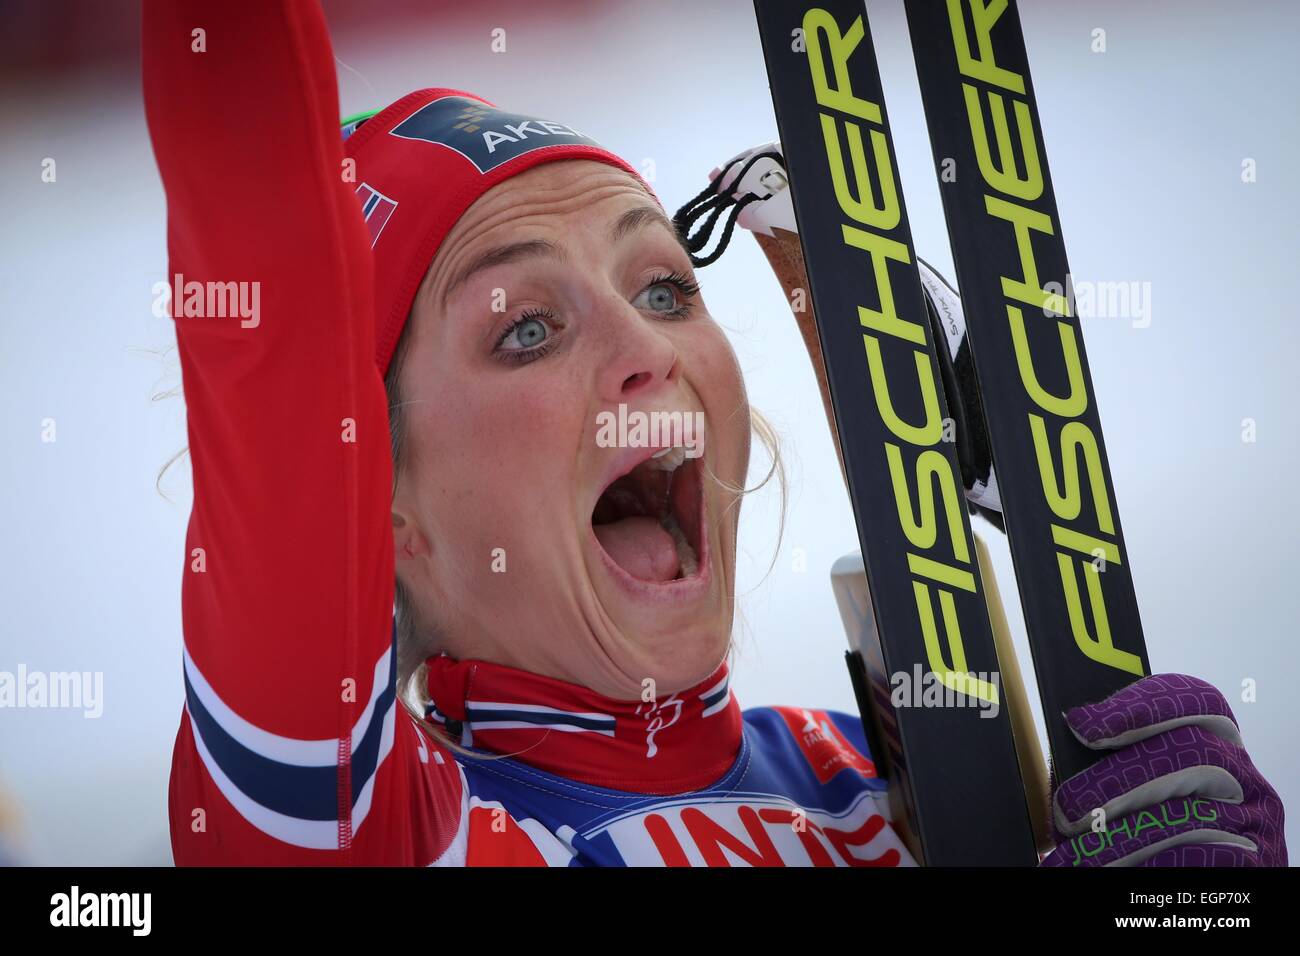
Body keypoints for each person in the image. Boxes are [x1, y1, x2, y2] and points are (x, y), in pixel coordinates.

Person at [143, 0, 1285, 866]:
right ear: (373, 493)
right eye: (527, 328)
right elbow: (259, 253)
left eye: (663, 288)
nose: (650, 351)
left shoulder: (887, 777)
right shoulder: (366, 827)